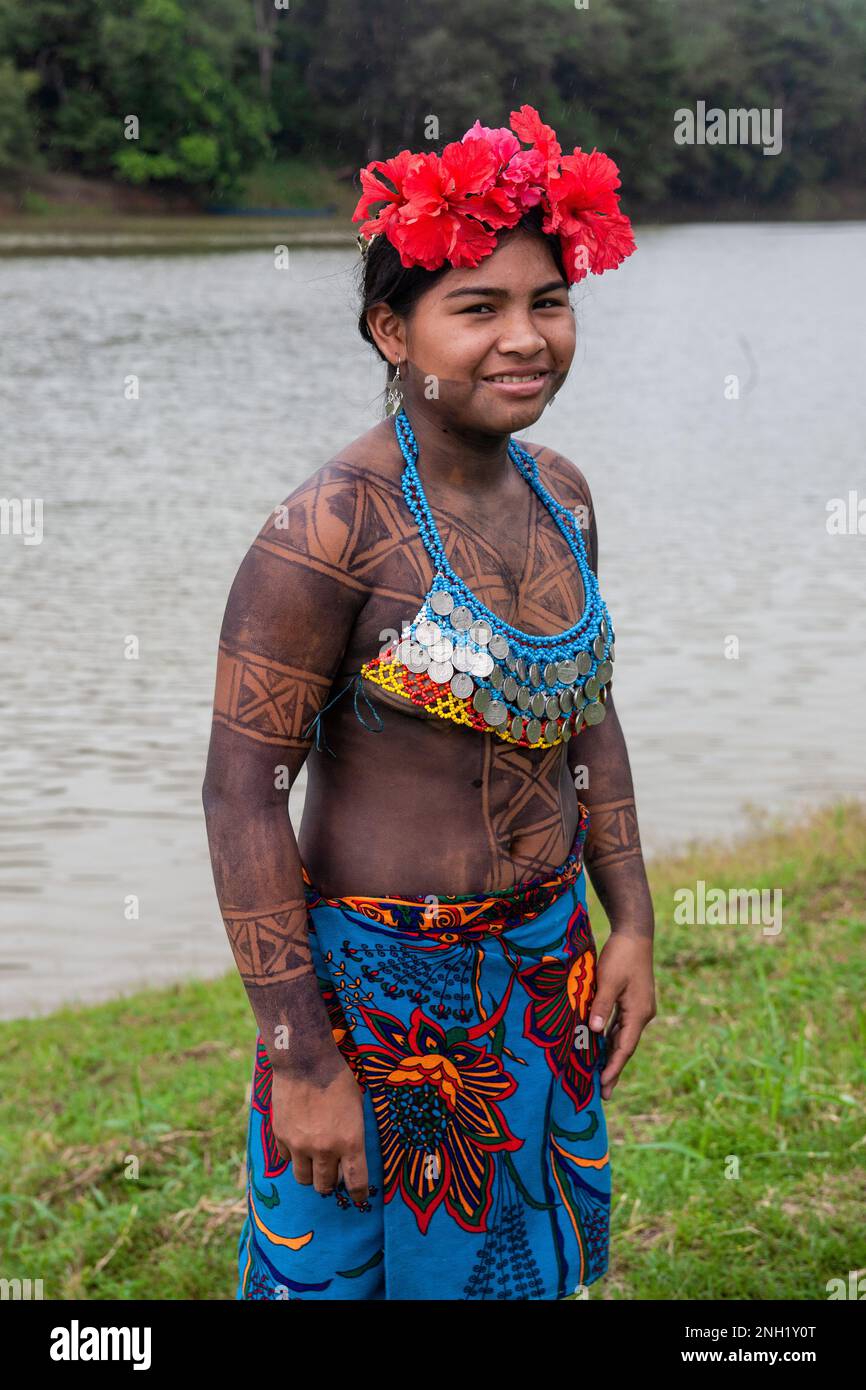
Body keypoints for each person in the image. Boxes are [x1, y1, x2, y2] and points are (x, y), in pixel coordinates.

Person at [202, 105, 656, 1301]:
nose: (524, 338)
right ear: (391, 329)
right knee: (351, 1274)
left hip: (546, 963)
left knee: (530, 1268)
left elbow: (585, 720)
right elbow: (243, 788)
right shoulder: (327, 532)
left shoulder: (561, 494)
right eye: (478, 307)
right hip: (376, 1002)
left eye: (547, 302)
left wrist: (633, 924)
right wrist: (300, 1057)